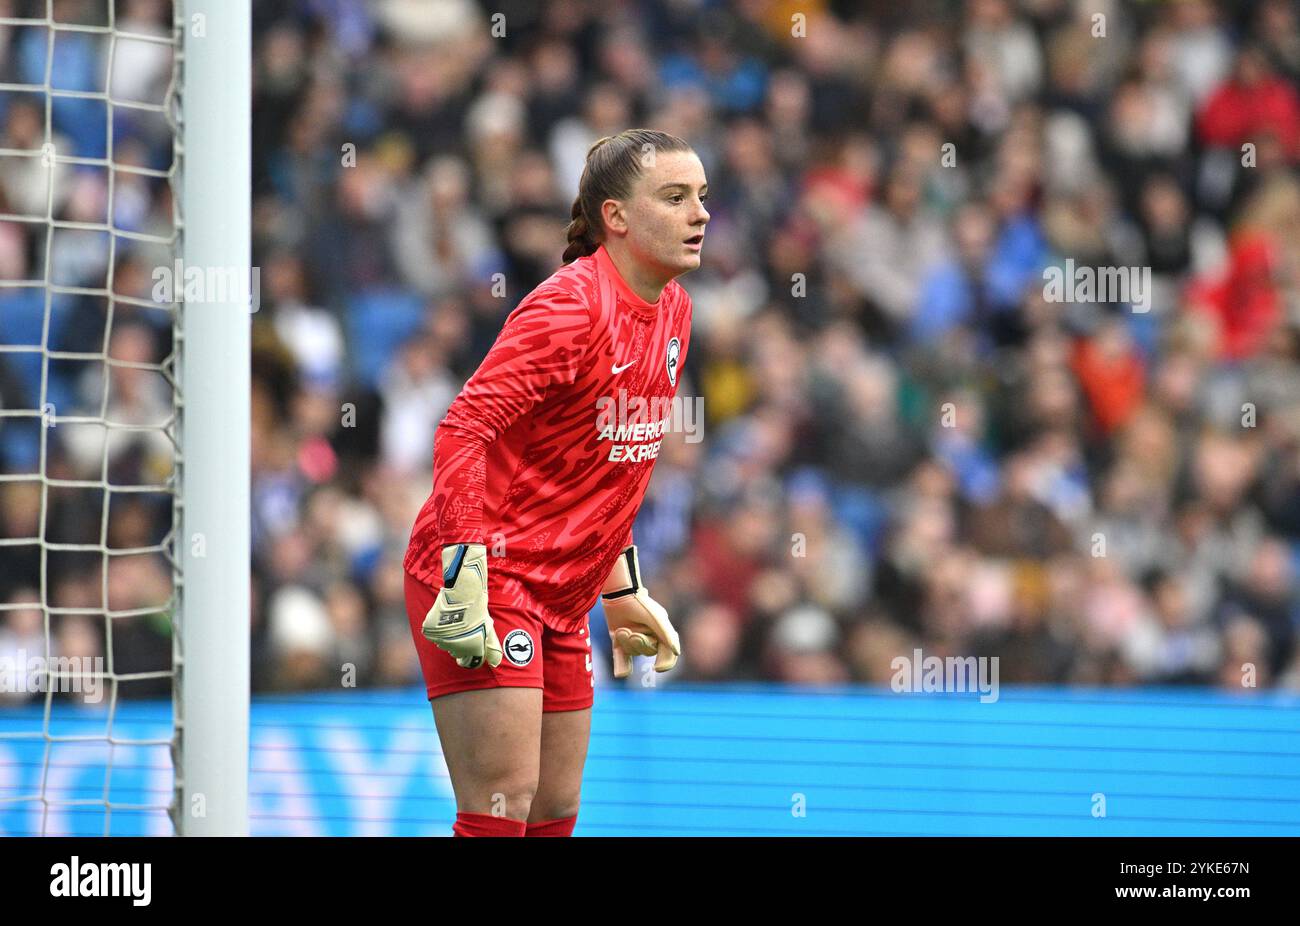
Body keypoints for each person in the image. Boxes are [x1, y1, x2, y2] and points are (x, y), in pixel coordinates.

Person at [402, 129, 709, 837]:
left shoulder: (675, 314)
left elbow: (612, 470)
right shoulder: (571, 308)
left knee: (554, 813)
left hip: (565, 592)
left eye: (701, 197)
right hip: (489, 574)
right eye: (675, 197)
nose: (699, 214)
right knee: (501, 805)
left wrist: (623, 592)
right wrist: (463, 570)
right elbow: (462, 430)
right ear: (617, 218)